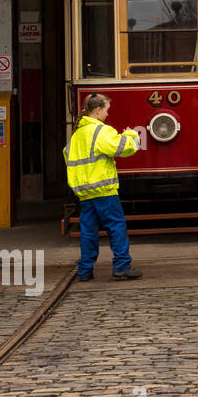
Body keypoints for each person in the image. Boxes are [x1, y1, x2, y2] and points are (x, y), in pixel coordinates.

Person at [63, 93, 143, 280]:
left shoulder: (77, 134)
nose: (107, 114)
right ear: (97, 110)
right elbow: (123, 148)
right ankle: (122, 266)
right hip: (104, 191)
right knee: (116, 227)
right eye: (106, 110)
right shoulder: (100, 131)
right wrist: (132, 134)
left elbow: (67, 156)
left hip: (85, 193)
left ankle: (85, 271)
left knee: (88, 231)